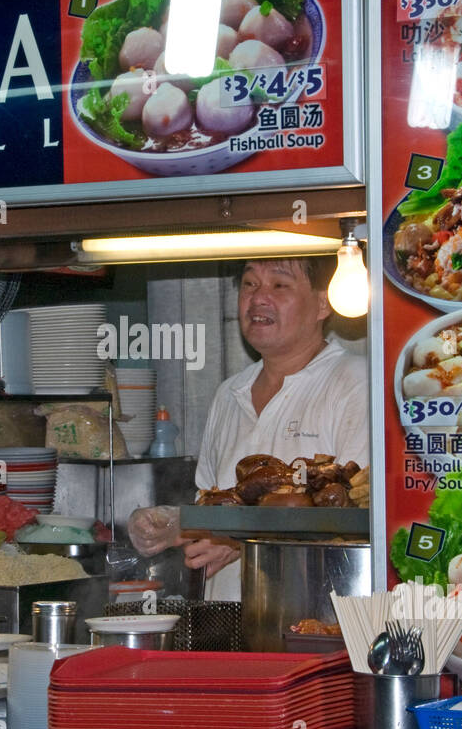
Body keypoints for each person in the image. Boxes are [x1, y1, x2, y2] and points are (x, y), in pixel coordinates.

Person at [131, 256, 369, 601]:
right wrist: (175, 522)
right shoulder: (229, 393)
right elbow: (214, 501)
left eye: (279, 284)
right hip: (228, 620)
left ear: (323, 303)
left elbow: (355, 508)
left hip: (314, 617)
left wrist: (241, 541)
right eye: (249, 283)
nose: (258, 298)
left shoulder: (355, 382)